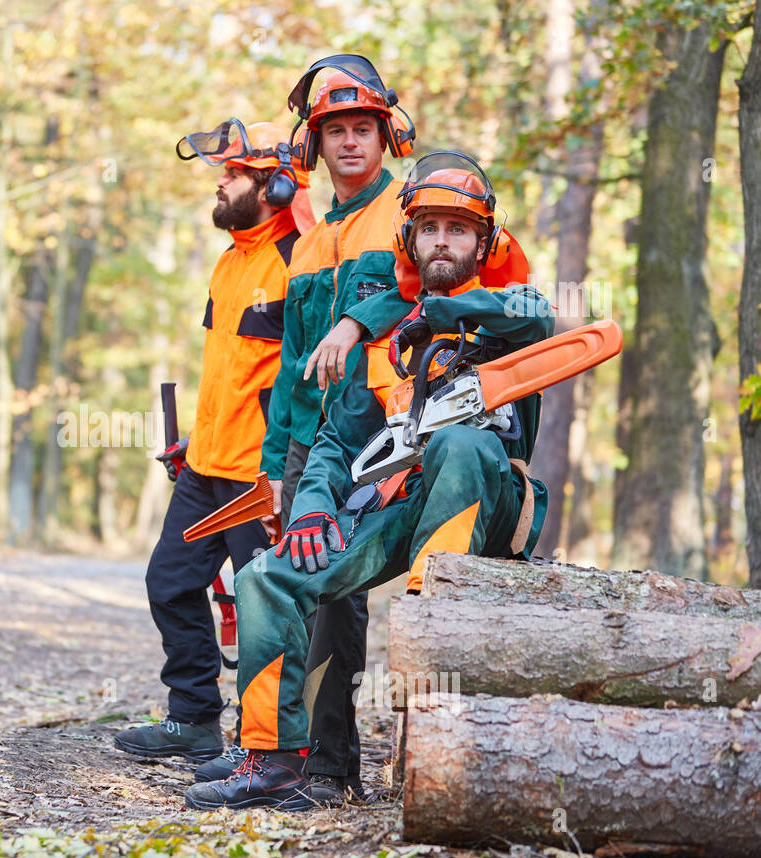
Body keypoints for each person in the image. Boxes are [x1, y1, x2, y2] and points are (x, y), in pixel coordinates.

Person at [184, 151, 554, 810]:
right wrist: (314, 509)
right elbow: (333, 437)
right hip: (400, 504)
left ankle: (433, 602)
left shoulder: (509, 307)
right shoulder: (382, 338)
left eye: (459, 230)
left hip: (485, 504)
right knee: (265, 577)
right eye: (431, 228)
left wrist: (444, 317)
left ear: (482, 240)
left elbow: (538, 319)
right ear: (410, 238)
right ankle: (276, 757)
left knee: (463, 444)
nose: (444, 241)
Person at [215, 55, 417, 798]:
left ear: (385, 135)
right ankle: (273, 752)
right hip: (308, 445)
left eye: (363, 128)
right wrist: (275, 464)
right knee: (282, 590)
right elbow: (293, 365)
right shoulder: (307, 241)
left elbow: (432, 285)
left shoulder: (405, 214)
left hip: (376, 440)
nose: (351, 144)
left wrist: (358, 323)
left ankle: (330, 765)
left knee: (336, 601)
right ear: (315, 146)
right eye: (336, 132)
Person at [112, 119, 314, 764]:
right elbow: (233, 371)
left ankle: (269, 746)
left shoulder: (298, 262)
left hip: (261, 477)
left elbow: (302, 382)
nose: (219, 184)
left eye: (231, 174)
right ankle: (194, 719)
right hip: (208, 466)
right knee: (170, 583)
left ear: (276, 186)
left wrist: (287, 468)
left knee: (264, 608)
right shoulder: (230, 263)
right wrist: (197, 437)